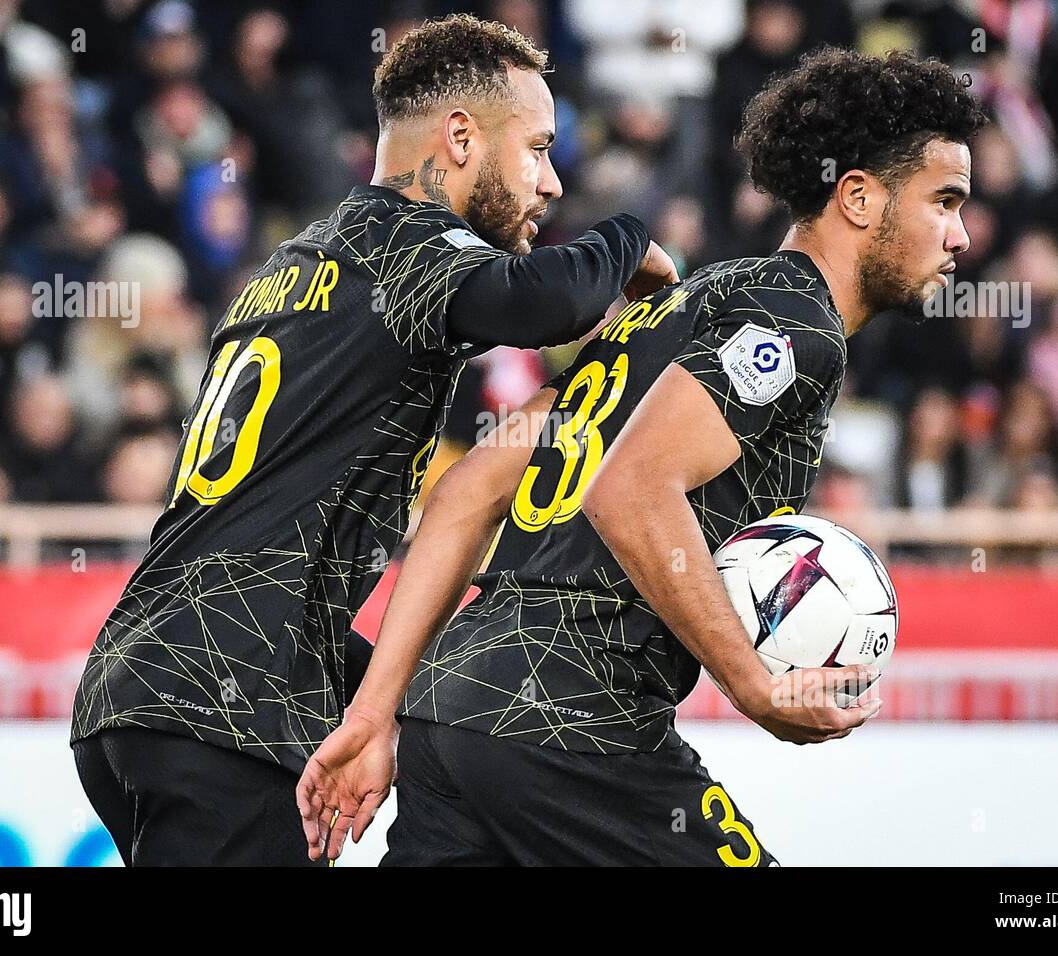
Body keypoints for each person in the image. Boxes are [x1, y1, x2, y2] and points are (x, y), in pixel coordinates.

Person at [298, 47, 986, 866]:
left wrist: (375, 716)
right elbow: (631, 489)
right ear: (860, 197)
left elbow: (465, 496)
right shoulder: (796, 324)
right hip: (574, 717)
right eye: (944, 202)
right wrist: (756, 685)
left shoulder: (673, 308)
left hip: (452, 709)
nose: (962, 235)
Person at [71, 14, 677, 867]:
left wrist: (392, 703)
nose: (549, 183)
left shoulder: (294, 263)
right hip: (230, 701)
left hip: (159, 679)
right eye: (537, 149)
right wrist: (629, 238)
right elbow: (546, 305)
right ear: (460, 137)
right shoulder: (406, 241)